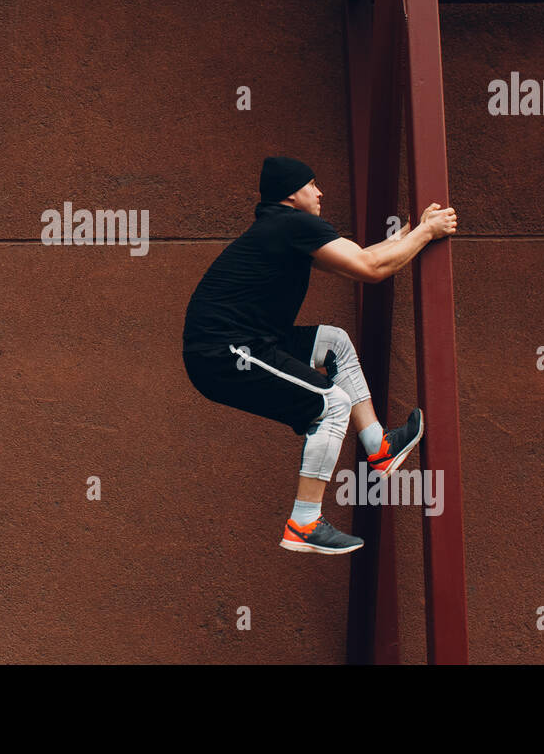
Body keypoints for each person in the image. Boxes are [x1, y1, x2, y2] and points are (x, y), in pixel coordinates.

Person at [181, 156, 458, 554]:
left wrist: (414, 231)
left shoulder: (284, 229)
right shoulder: (294, 224)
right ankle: (304, 522)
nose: (320, 192)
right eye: (313, 184)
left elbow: (361, 256)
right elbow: (372, 268)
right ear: (292, 194)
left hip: (247, 341)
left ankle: (379, 447)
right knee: (331, 403)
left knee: (335, 343)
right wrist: (427, 234)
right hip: (222, 352)